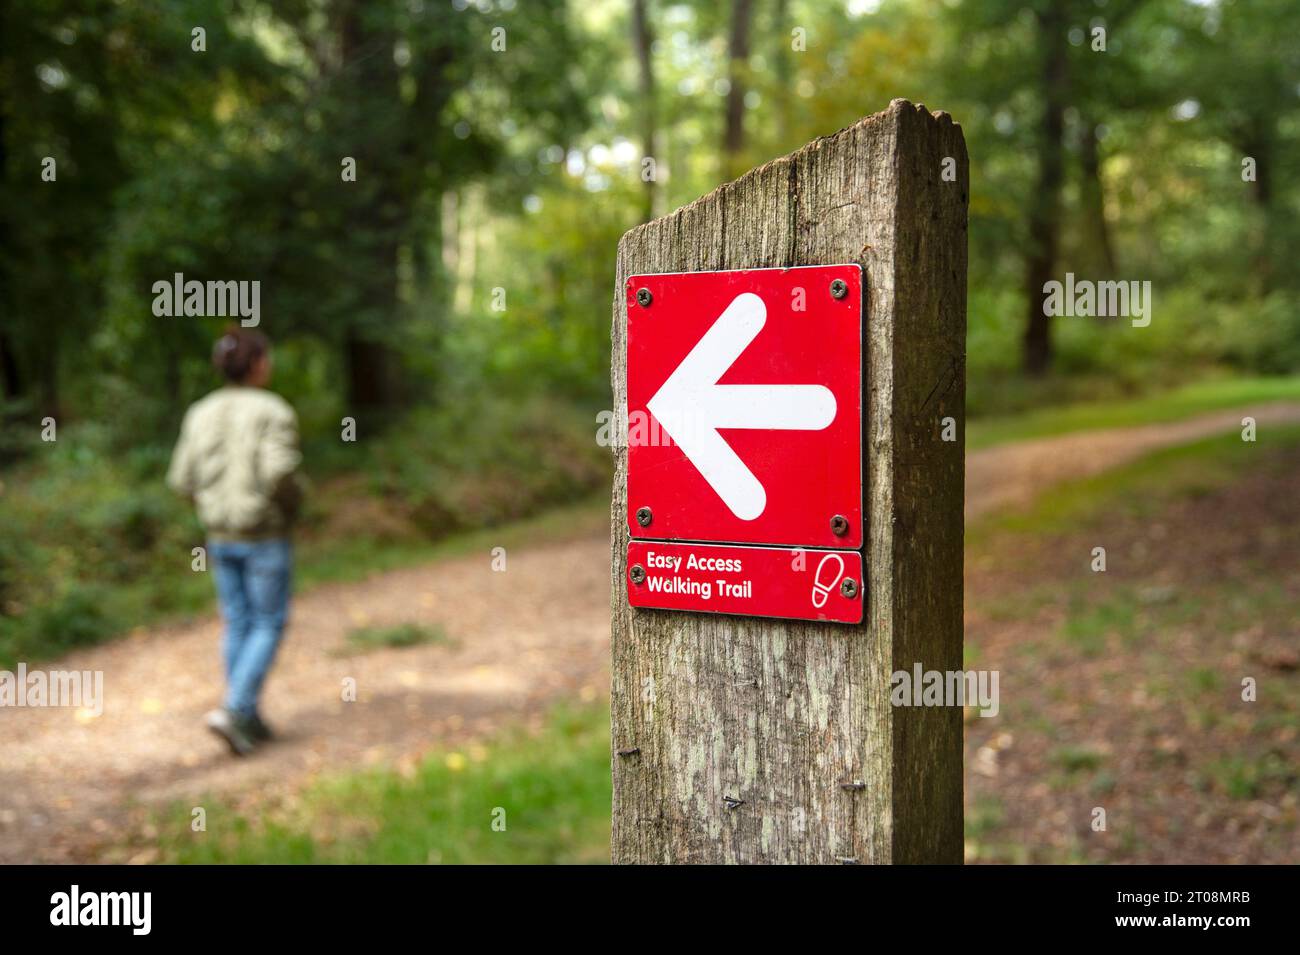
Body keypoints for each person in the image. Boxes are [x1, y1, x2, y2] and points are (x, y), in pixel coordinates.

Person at [166, 327, 304, 755]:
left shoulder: (199, 412)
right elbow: (280, 472)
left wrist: (209, 505)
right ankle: (236, 707)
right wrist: (294, 505)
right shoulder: (272, 410)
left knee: (239, 621)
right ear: (259, 363)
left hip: (219, 536)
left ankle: (247, 717)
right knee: (267, 622)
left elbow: (180, 479)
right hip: (263, 534)